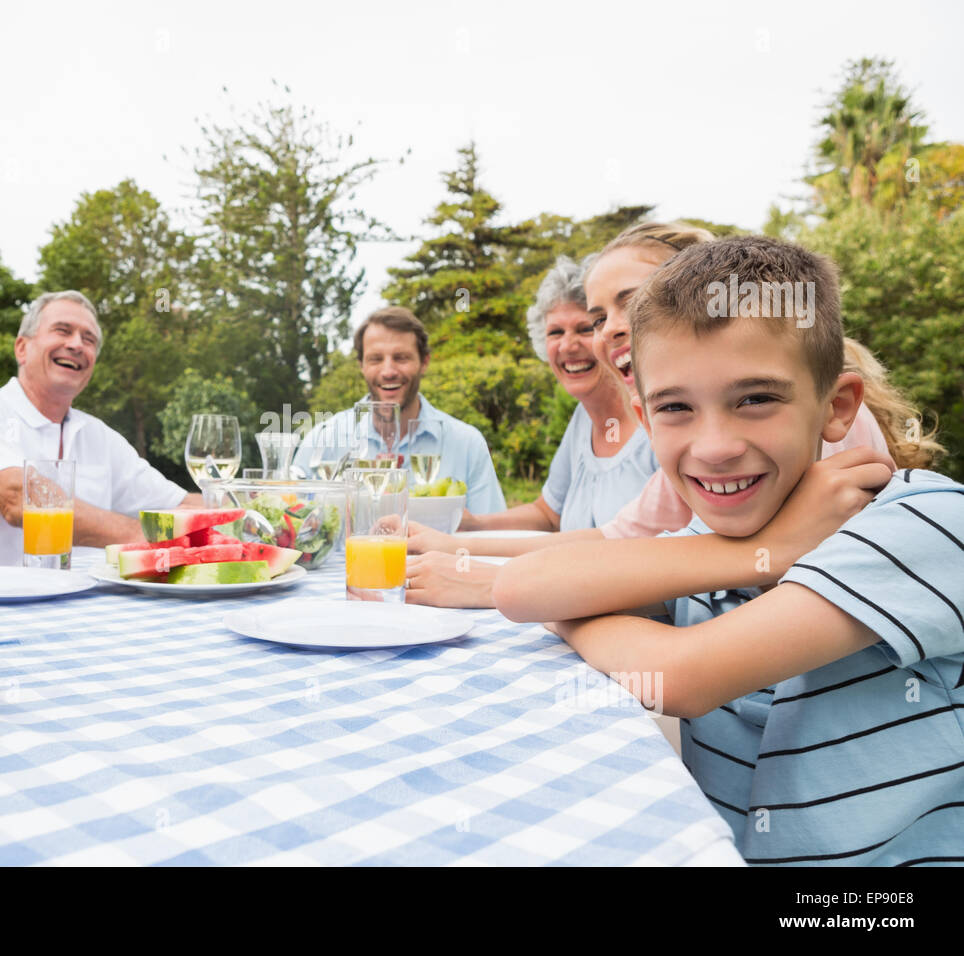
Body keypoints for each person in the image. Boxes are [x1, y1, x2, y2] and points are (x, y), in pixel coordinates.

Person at [494, 235, 964, 866]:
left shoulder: (923, 521)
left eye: (755, 399)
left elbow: (680, 678)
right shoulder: (725, 546)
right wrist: (768, 550)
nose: (714, 445)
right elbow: (523, 587)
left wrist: (579, 611)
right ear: (644, 413)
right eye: (676, 408)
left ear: (837, 406)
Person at [404, 222, 903, 607]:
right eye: (600, 316)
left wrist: (492, 579)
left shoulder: (812, 433)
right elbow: (614, 541)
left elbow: (773, 563)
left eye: (636, 304)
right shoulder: (679, 435)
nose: (614, 330)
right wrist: (461, 547)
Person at [0, 290, 201, 566]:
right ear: (22, 348)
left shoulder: (100, 435)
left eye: (89, 339)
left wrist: (244, 507)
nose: (77, 345)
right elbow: (21, 501)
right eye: (62, 331)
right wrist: (147, 536)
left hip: (94, 603)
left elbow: (179, 505)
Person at [292, 306, 506, 514]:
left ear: (424, 362)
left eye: (401, 357)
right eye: (376, 359)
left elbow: (490, 533)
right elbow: (290, 526)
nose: (388, 371)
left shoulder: (467, 444)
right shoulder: (323, 439)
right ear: (361, 366)